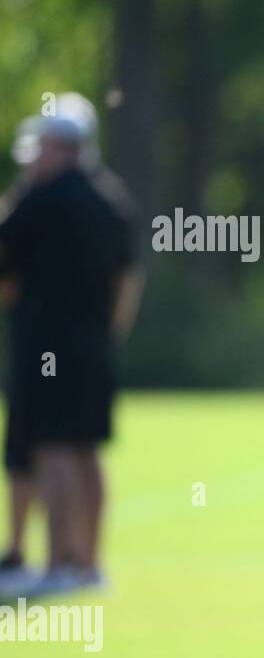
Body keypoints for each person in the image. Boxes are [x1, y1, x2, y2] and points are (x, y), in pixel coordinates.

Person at [0, 93, 143, 596]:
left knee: (54, 450)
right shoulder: (111, 199)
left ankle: (60, 561)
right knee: (87, 452)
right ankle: (89, 563)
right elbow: (128, 280)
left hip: (46, 346)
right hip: (94, 344)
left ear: (62, 146)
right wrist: (107, 335)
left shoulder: (38, 199)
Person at [0, 117, 41, 581]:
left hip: (40, 349)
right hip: (34, 348)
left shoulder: (30, 209)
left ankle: (52, 553)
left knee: (43, 450)